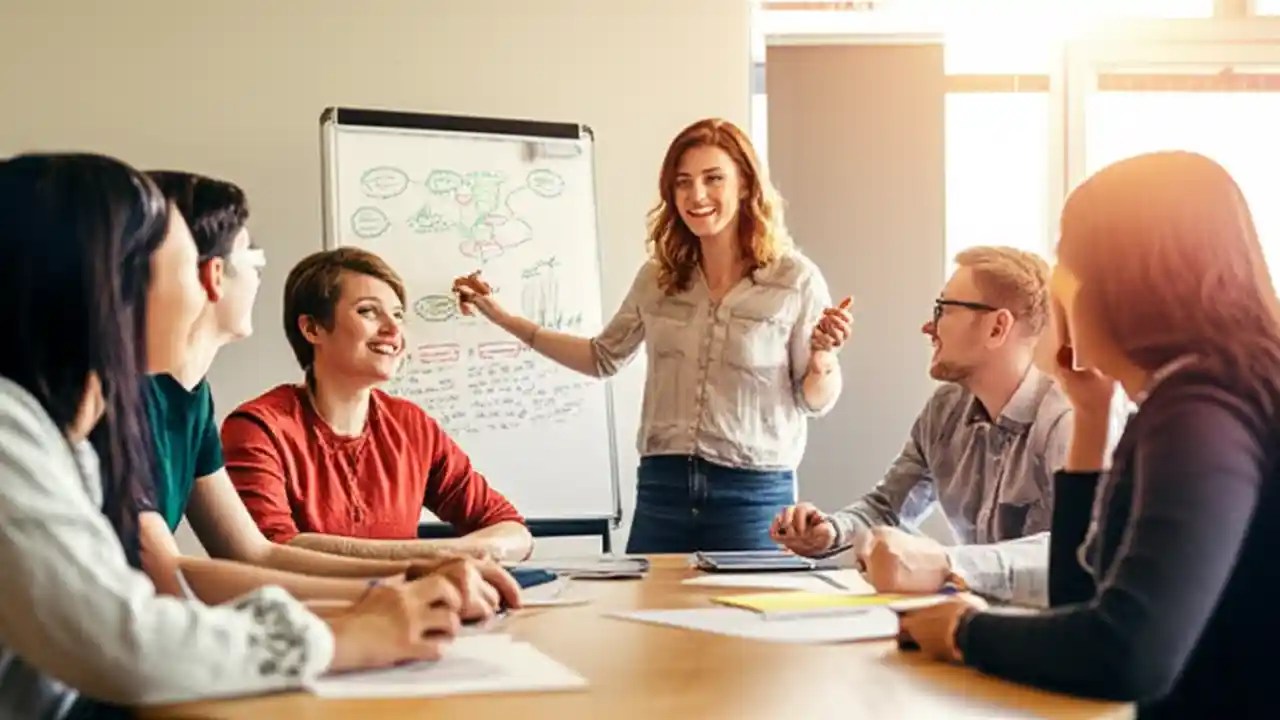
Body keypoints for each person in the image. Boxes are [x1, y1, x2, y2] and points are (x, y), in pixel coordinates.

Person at [0, 153, 513, 719]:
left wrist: (393, 593)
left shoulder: (64, 436)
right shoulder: (15, 431)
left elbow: (220, 565)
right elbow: (130, 632)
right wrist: (352, 628)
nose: (207, 284)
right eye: (184, 262)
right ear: (116, 280)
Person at [898, 151, 1280, 717]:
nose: (1056, 286)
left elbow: (1129, 652)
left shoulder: (1201, 410)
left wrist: (965, 631)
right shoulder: (1174, 402)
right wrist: (1091, 415)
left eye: (1067, 259)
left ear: (1120, 280)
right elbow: (1081, 603)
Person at [453, 117, 852, 553]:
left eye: (713, 178)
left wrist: (822, 359)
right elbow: (601, 357)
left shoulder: (795, 280)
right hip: (664, 490)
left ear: (744, 185)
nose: (697, 195)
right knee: (645, 601)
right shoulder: (659, 278)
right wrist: (504, 318)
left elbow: (814, 400)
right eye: (683, 182)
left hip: (753, 496)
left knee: (749, 600)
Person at [138, 171, 514, 605]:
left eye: (398, 314)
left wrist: (413, 579)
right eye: (253, 259)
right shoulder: (158, 405)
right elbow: (200, 569)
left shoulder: (192, 400)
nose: (394, 330)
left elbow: (252, 553)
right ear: (213, 274)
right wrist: (407, 581)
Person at [773, 246, 1069, 606]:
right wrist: (830, 533)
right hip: (975, 618)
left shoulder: (1067, 421)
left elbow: (1076, 550)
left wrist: (945, 564)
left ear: (997, 327)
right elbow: (888, 509)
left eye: (943, 309)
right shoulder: (945, 410)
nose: (928, 327)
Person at [223, 247, 534, 561]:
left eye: (398, 315)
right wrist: (439, 555)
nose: (394, 329)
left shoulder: (412, 425)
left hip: (413, 594)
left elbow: (510, 528)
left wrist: (461, 551)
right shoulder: (257, 429)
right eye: (368, 311)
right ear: (312, 329)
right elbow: (272, 552)